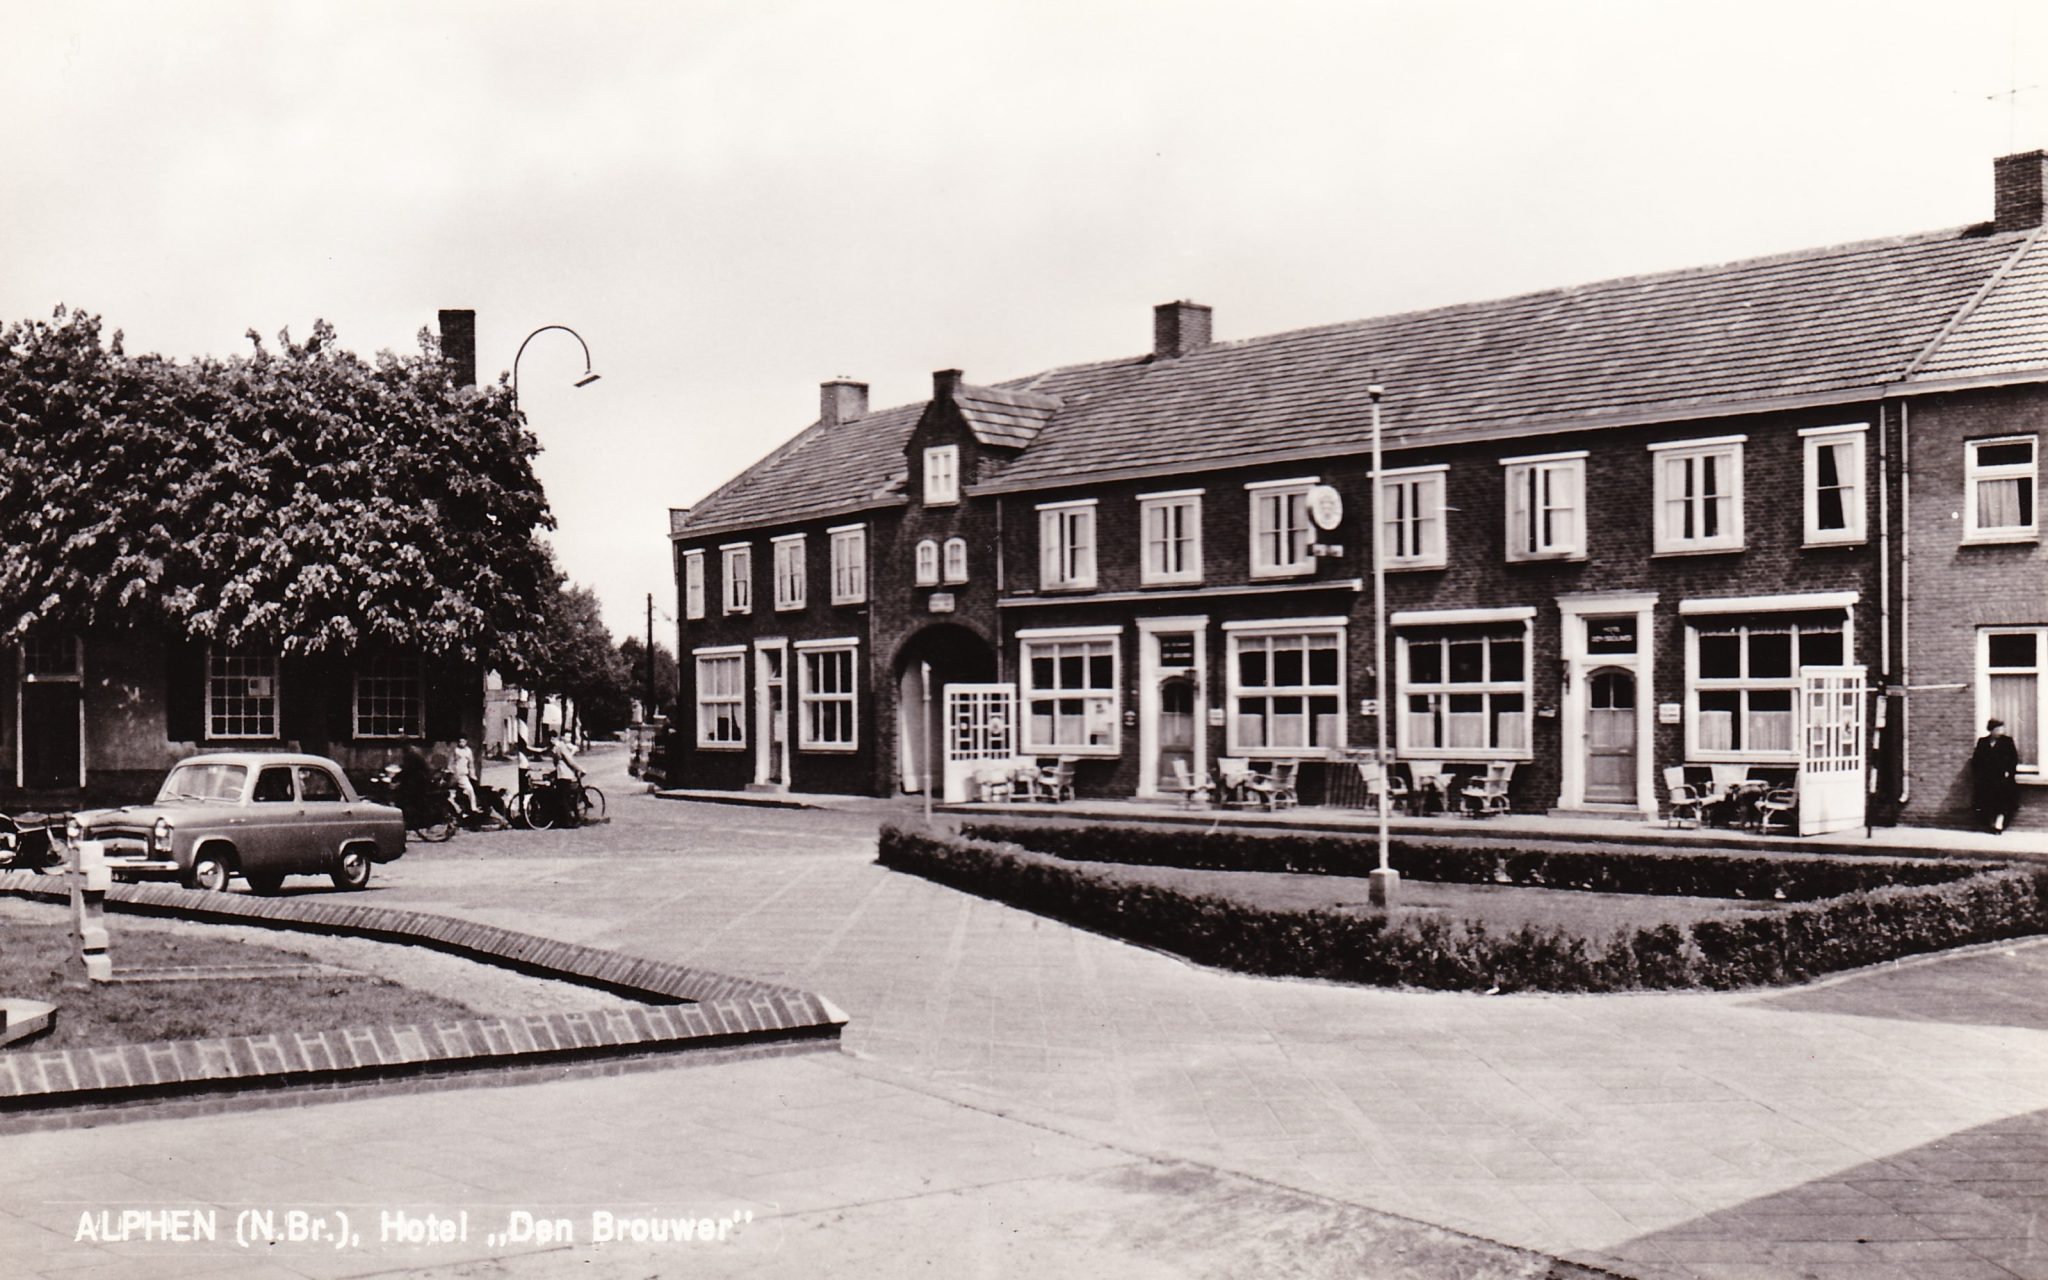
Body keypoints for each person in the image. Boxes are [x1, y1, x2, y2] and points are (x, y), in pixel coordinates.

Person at [1971, 718, 2021, 834]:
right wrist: (1978, 775)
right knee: (1987, 801)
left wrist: (2009, 772)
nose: (2000, 731)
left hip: (2002, 778)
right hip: (1987, 779)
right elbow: (1976, 760)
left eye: (2001, 729)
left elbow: (2013, 758)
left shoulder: (2007, 741)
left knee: (2002, 802)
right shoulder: (1983, 742)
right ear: (1991, 730)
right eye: (1998, 729)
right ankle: (1991, 824)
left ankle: (1999, 825)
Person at [450, 736, 478, 814]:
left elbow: (471, 764)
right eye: (460, 741)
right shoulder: (456, 750)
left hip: (464, 774)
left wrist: (473, 775)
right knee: (468, 790)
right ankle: (472, 808)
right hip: (457, 774)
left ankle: (470, 808)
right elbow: (451, 762)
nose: (461, 743)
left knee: (469, 790)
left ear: (466, 741)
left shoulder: (468, 751)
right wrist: (451, 771)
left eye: (463, 741)